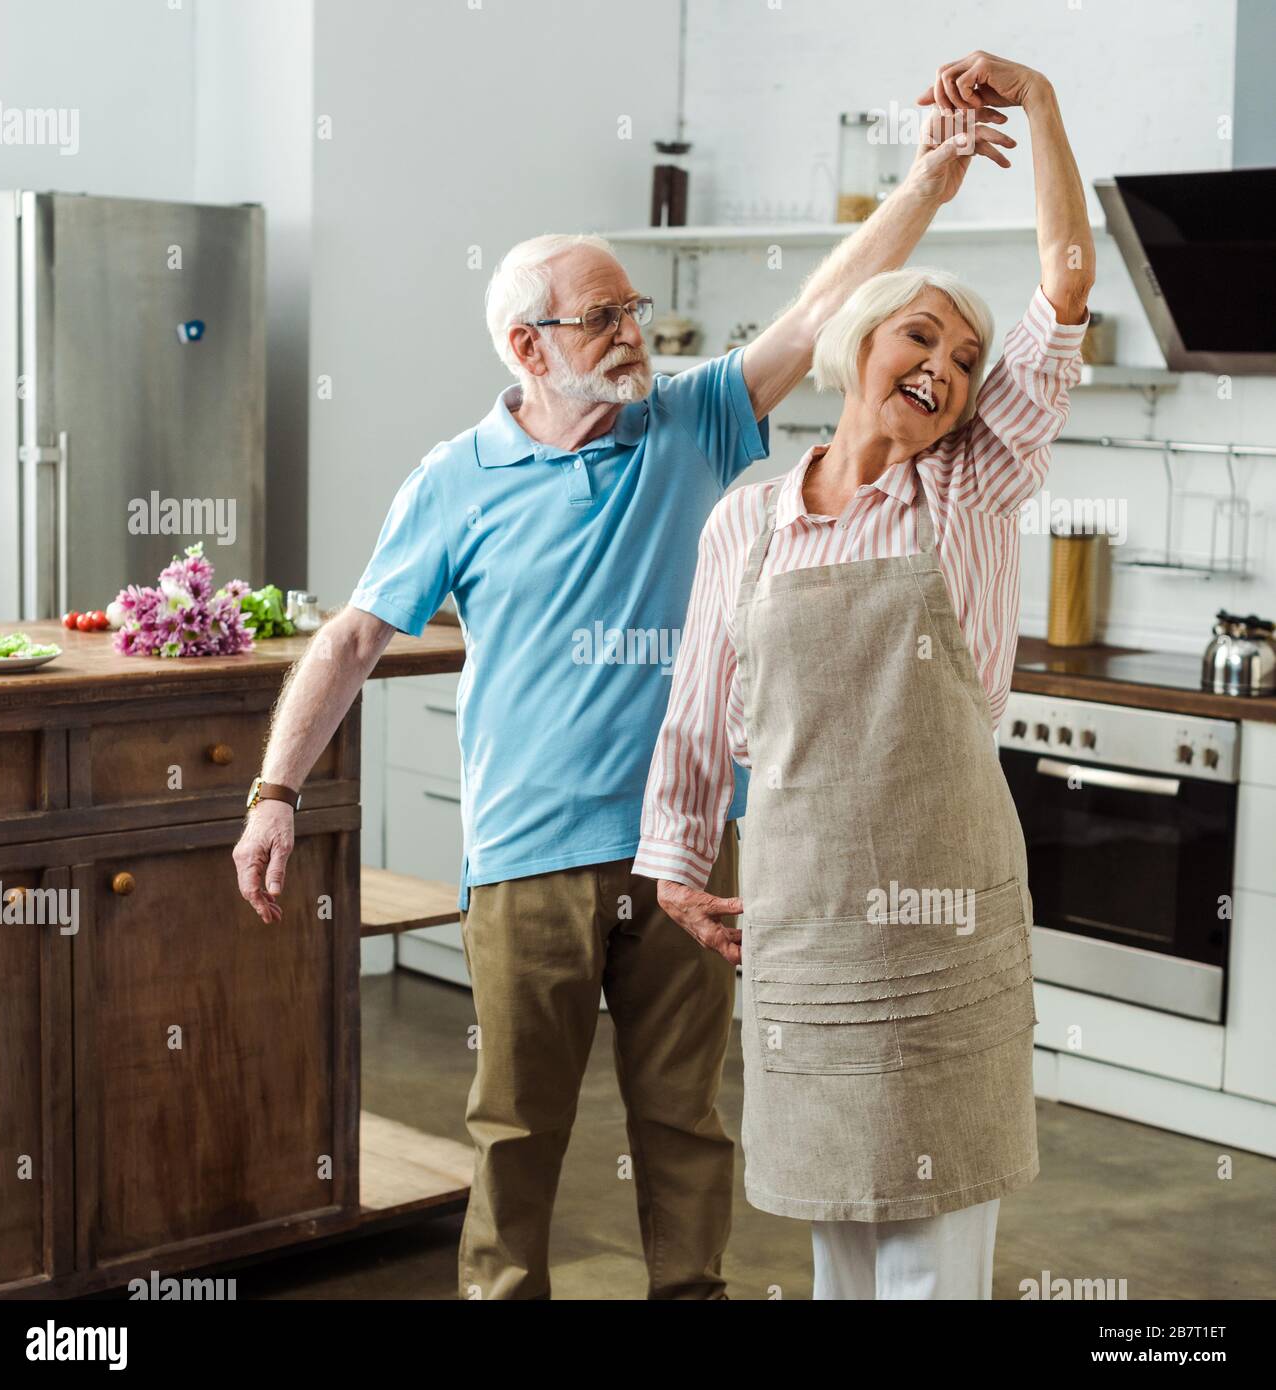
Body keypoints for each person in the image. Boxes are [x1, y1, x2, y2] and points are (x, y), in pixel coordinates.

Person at [231, 75, 1016, 1299]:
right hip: (527, 848)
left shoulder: (693, 419)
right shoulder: (453, 478)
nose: (631, 333)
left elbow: (819, 313)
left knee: (688, 1125)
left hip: (689, 854)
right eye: (601, 316)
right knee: (514, 1133)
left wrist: (930, 179)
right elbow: (349, 640)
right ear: (525, 344)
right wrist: (274, 788)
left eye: (634, 308)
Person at [635, 52, 1093, 1300]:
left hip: (941, 912)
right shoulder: (750, 519)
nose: (944, 362)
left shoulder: (969, 485)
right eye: (918, 333)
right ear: (855, 347)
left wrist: (1039, 107)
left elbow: (1063, 284)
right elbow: (694, 717)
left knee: (933, 1247)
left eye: (964, 353)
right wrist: (674, 867)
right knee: (837, 1232)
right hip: (809, 919)